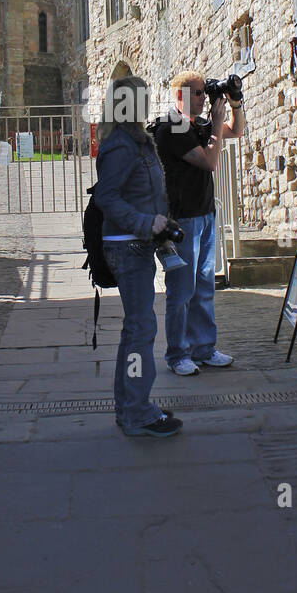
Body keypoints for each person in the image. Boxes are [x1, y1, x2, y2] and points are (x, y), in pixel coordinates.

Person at [91, 76, 183, 438]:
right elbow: (107, 198)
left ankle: (131, 406)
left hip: (140, 242)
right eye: (140, 98)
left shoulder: (139, 141)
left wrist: (164, 224)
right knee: (140, 328)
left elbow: (146, 194)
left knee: (137, 328)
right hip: (126, 246)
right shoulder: (120, 146)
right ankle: (137, 413)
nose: (147, 103)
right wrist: (147, 222)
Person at [150, 69, 245, 375]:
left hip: (205, 215)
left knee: (204, 286)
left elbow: (235, 130)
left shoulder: (199, 124)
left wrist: (235, 104)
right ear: (180, 96)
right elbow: (209, 161)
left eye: (205, 92)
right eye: (199, 93)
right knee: (181, 291)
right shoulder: (170, 128)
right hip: (182, 221)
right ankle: (178, 355)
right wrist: (217, 125)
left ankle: (204, 349)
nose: (205, 98)